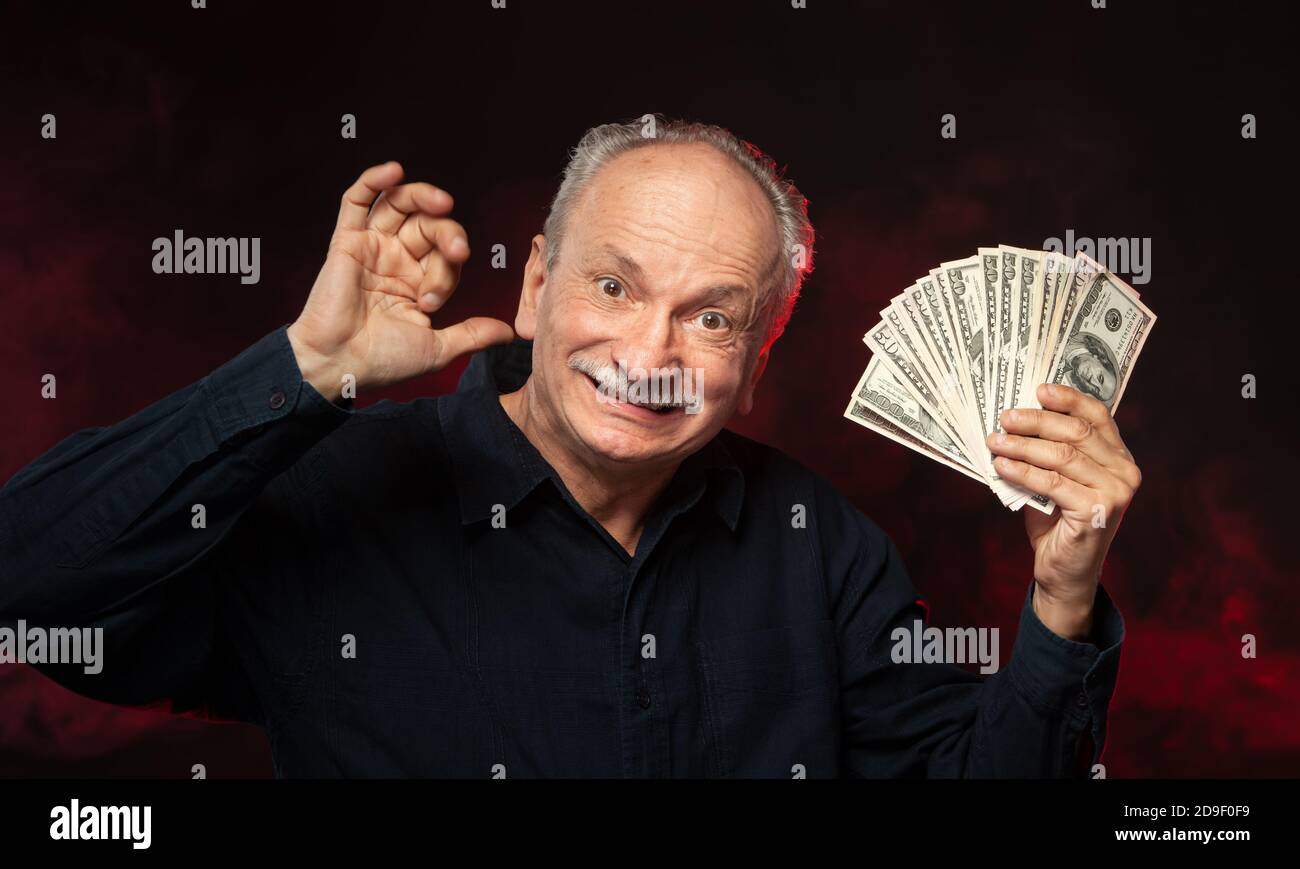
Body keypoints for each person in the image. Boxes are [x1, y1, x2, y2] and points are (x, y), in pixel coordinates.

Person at [0, 117, 1140, 777]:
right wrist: (298, 370)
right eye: (611, 283)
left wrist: (1060, 597)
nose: (650, 348)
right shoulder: (334, 494)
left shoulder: (821, 547)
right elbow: (27, 583)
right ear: (538, 285)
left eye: (711, 315)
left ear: (756, 360)